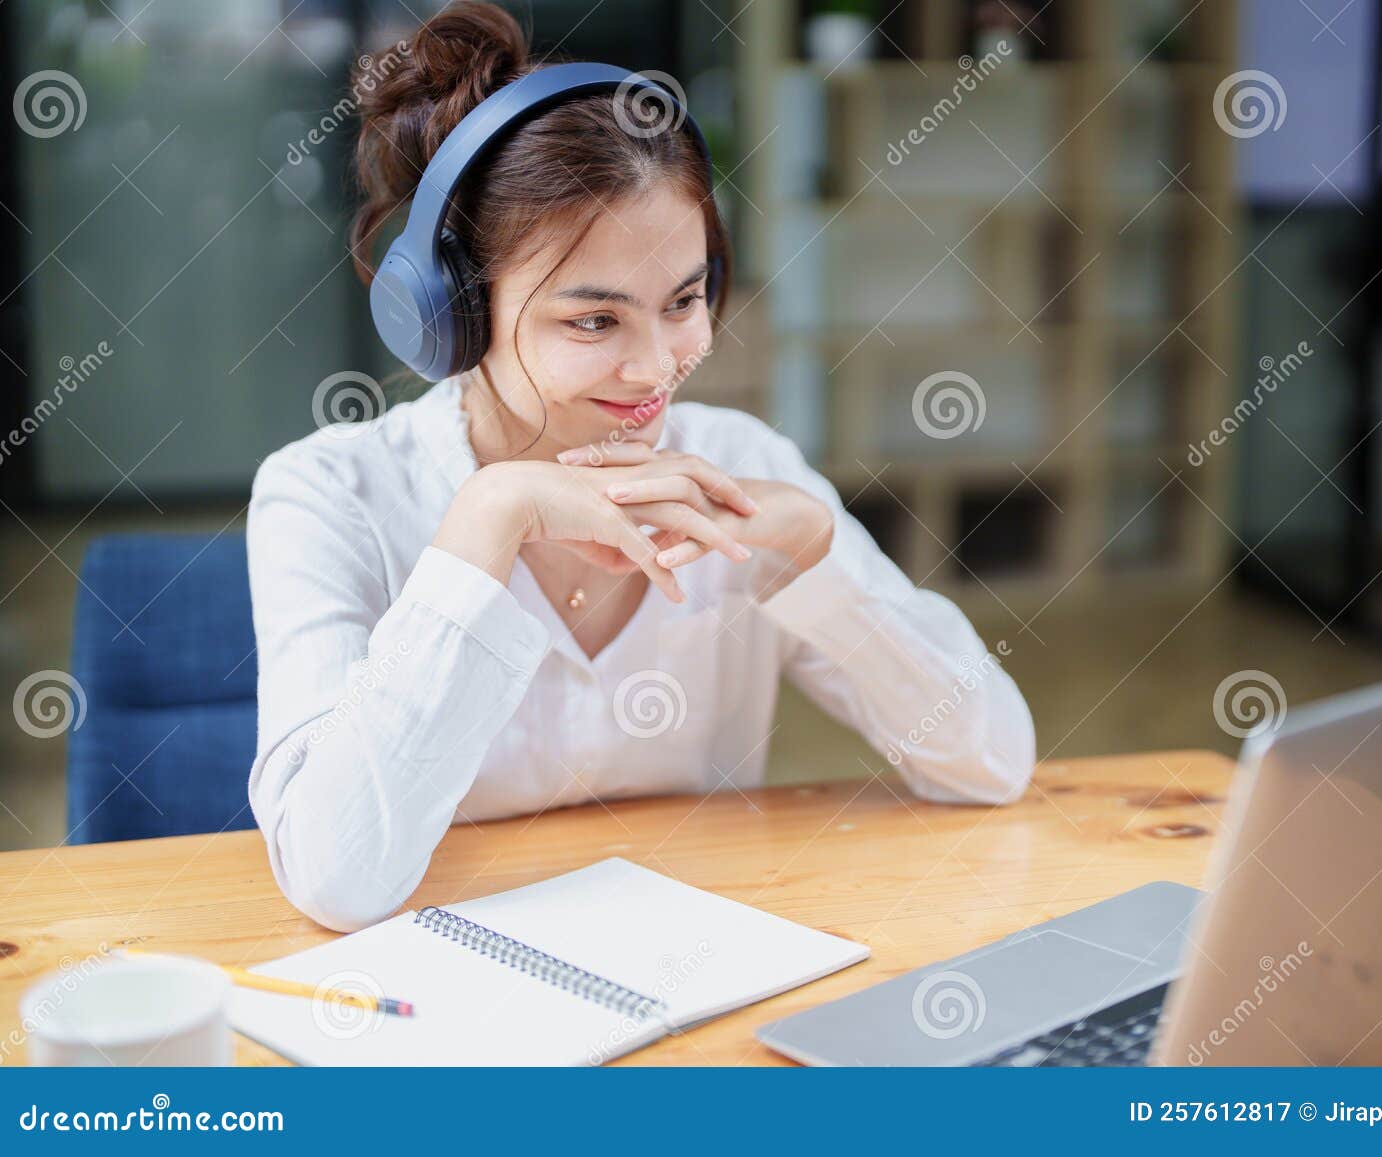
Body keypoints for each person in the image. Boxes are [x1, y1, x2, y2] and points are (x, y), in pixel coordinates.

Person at [247, 2, 1035, 932]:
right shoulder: (330, 494)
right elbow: (335, 880)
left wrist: (818, 561)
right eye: (593, 320)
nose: (659, 365)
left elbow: (990, 762)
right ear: (452, 313)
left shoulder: (741, 463)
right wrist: (485, 526)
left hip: (694, 984)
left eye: (684, 300)